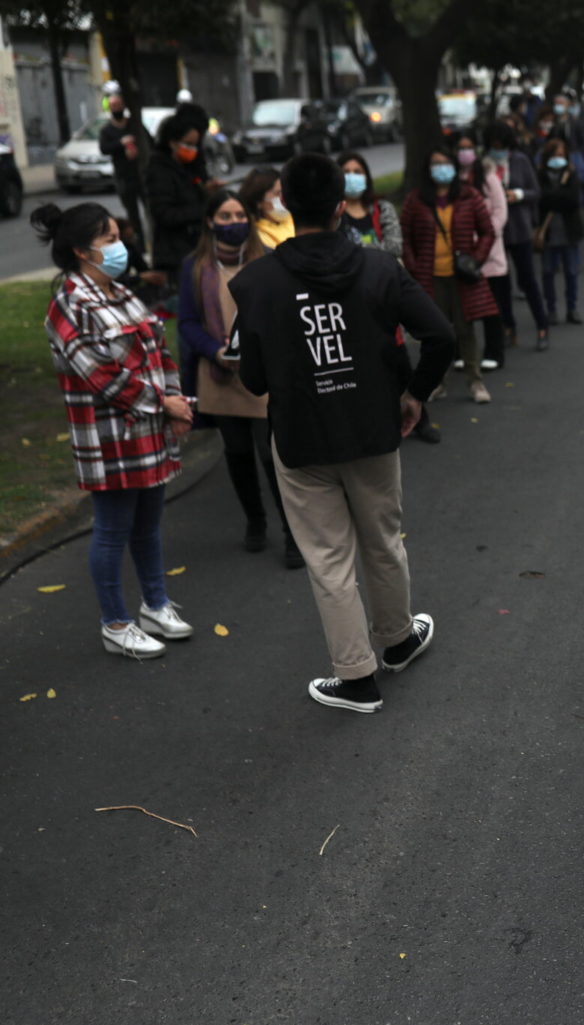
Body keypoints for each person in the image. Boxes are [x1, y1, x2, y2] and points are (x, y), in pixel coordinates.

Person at [232, 153, 455, 712]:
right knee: (383, 540)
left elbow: (253, 377)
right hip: (374, 428)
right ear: (340, 204)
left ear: (285, 203)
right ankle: (397, 639)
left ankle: (356, 677)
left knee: (328, 558)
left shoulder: (256, 283)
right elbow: (441, 335)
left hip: (302, 438)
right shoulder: (379, 268)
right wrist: (415, 394)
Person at [35, 201, 195, 658]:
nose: (120, 246)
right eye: (109, 239)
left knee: (148, 526)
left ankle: (155, 605)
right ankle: (116, 623)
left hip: (148, 433)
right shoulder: (69, 305)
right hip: (108, 439)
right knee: (111, 530)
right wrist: (164, 403)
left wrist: (175, 401)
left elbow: (159, 351)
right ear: (82, 250)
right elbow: (102, 378)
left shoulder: (123, 294)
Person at [175, 189, 299, 566]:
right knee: (237, 451)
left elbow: (285, 313)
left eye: (240, 216)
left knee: (270, 453)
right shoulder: (195, 267)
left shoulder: (269, 260)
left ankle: (292, 532)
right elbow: (187, 323)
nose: (234, 223)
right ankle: (255, 522)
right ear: (210, 222)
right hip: (219, 374)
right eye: (225, 217)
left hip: (264, 372)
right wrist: (215, 350)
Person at [399, 147, 498, 404]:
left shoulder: (468, 195)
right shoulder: (416, 199)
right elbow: (404, 235)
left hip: (462, 276)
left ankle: (475, 381)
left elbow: (487, 231)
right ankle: (436, 383)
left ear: (453, 167)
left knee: (466, 329)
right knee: (436, 333)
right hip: (429, 277)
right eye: (436, 163)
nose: (441, 168)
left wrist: (475, 260)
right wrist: (413, 265)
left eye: (445, 163)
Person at [485, 122, 548, 347]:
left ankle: (542, 326)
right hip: (496, 232)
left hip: (520, 229)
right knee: (500, 284)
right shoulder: (486, 165)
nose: (497, 149)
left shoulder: (520, 160)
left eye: (501, 145)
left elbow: (536, 191)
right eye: (493, 145)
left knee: (527, 280)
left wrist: (518, 195)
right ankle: (508, 326)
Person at [454, 134, 513, 364]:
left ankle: (494, 353)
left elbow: (500, 211)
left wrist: (484, 237)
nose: (465, 152)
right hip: (462, 253)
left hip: (489, 252)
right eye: (461, 148)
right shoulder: (453, 180)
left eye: (469, 147)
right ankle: (462, 353)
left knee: (492, 307)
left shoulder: (488, 177)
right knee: (460, 308)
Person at [143, 113, 206, 280]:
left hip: (193, 246)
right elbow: (164, 213)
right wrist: (201, 211)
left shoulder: (187, 167)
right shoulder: (159, 170)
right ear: (172, 142)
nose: (192, 149)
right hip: (174, 255)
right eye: (188, 144)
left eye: (195, 145)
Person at [537, 137, 584, 326]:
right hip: (548, 231)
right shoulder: (540, 175)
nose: (559, 157)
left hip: (569, 230)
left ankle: (572, 308)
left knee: (571, 272)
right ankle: (551, 309)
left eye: (561, 153)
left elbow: (573, 200)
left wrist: (553, 197)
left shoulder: (571, 174)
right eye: (555, 153)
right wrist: (559, 196)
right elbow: (541, 199)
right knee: (548, 272)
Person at [98, 93, 146, 243]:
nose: (116, 108)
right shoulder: (107, 130)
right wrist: (121, 143)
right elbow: (104, 148)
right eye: (113, 106)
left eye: (118, 105)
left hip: (141, 174)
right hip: (123, 176)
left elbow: (148, 141)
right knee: (132, 212)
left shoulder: (134, 125)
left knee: (150, 207)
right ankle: (139, 243)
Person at [237, 167, 294, 251]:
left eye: (284, 191)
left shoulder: (294, 218)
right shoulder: (257, 236)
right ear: (258, 201)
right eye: (277, 193)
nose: (283, 197)